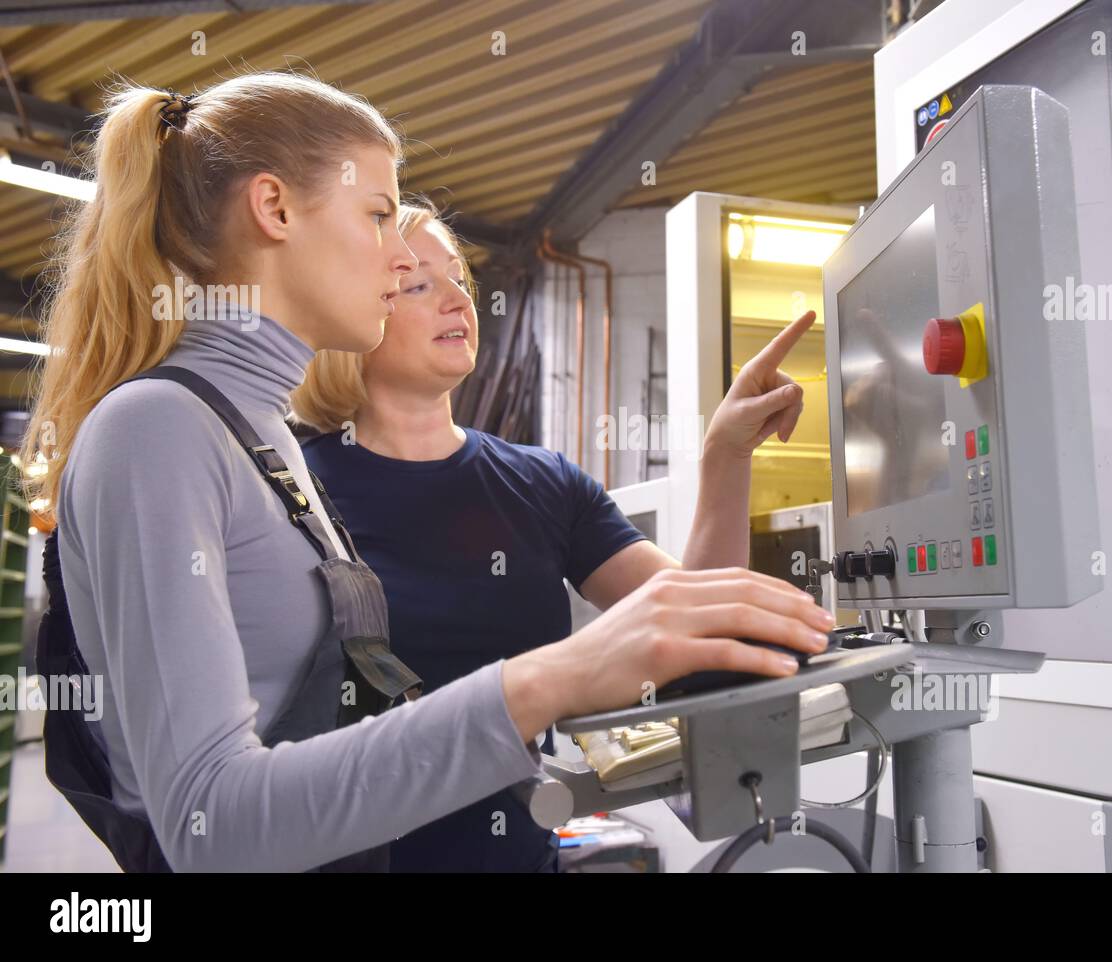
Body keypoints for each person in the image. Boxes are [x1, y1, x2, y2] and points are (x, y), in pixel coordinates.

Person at [21, 71, 833, 873]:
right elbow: (209, 826)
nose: (399, 255)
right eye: (378, 215)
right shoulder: (156, 428)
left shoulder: (261, 437)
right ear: (274, 209)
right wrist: (552, 678)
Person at [294, 198, 824, 871]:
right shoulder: (295, 492)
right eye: (420, 284)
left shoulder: (543, 483)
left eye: (459, 279)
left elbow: (698, 631)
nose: (457, 300)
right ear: (356, 308)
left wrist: (725, 456)